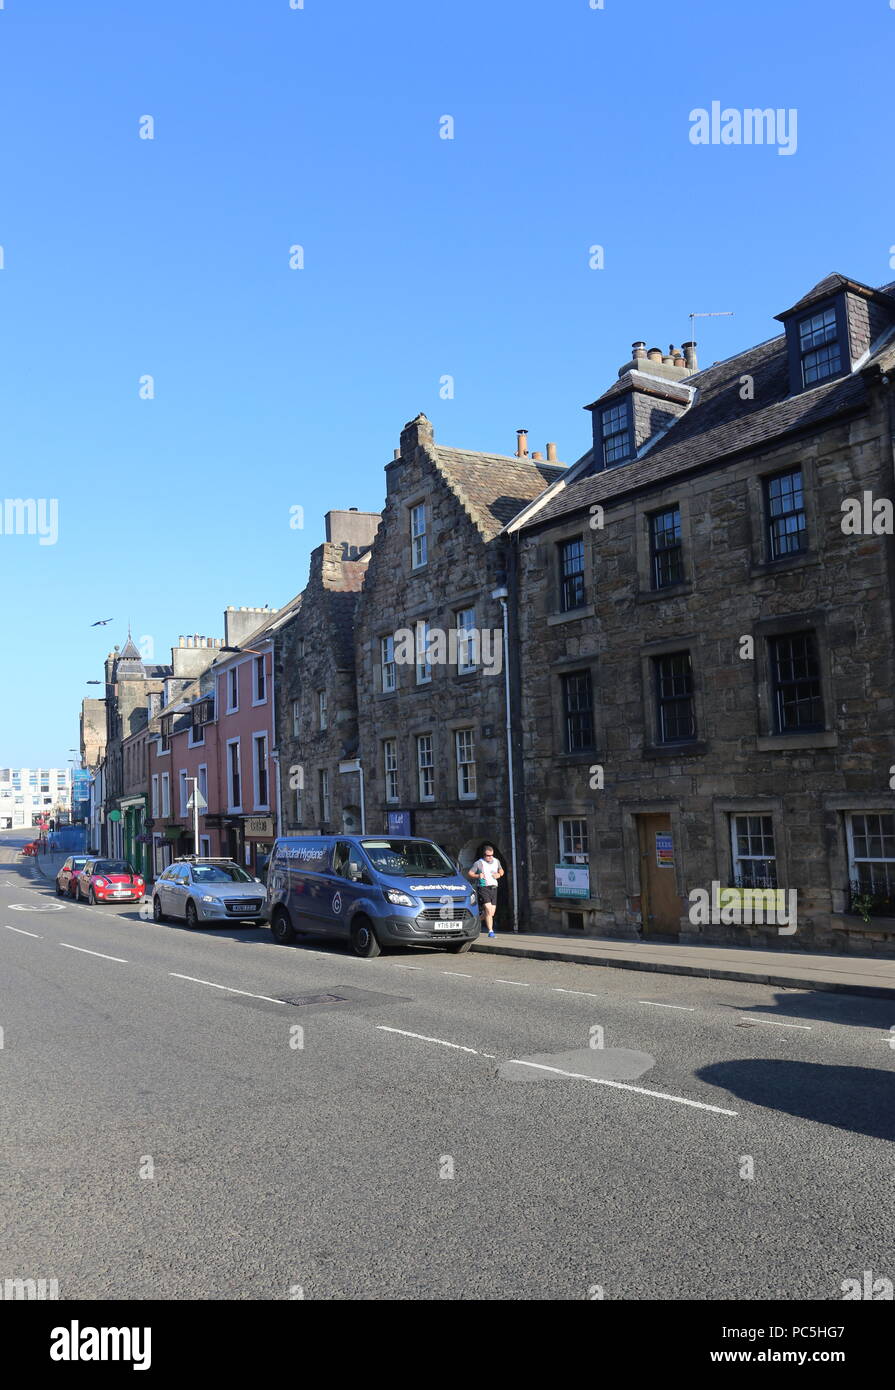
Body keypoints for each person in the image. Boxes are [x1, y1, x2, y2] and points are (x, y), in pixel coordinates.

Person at [468, 844, 504, 938]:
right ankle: (491, 932)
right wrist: (477, 876)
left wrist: (499, 875)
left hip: (494, 887)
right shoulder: (479, 863)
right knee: (488, 909)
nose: (490, 857)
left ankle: (475, 921)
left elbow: (501, 871)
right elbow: (470, 873)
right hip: (483, 887)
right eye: (488, 856)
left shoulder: (496, 861)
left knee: (491, 913)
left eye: (491, 855)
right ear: (484, 855)